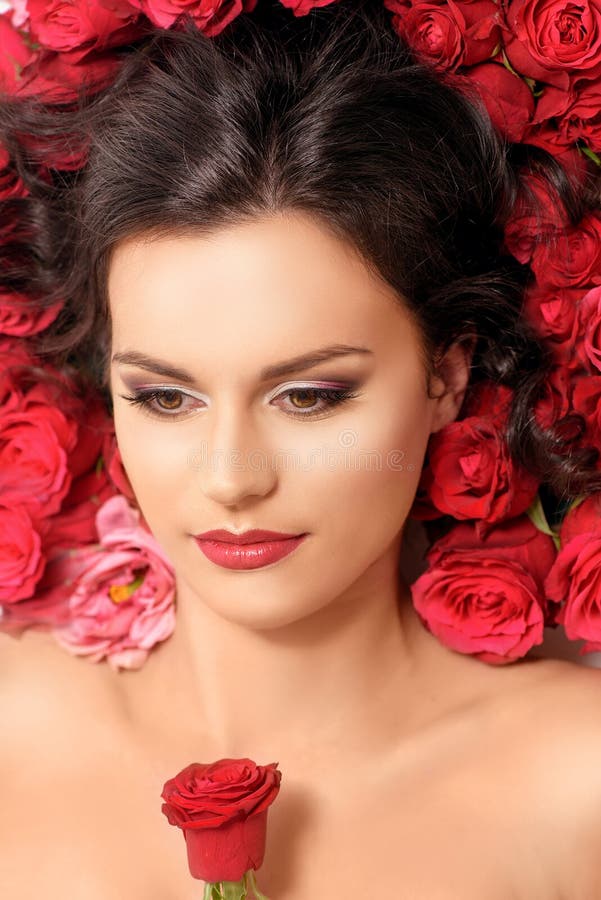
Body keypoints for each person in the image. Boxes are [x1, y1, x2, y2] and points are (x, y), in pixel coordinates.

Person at [2, 1, 601, 897]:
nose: (231, 477)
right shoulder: (13, 729)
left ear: (446, 374)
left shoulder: (574, 787)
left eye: (309, 396)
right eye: (165, 396)